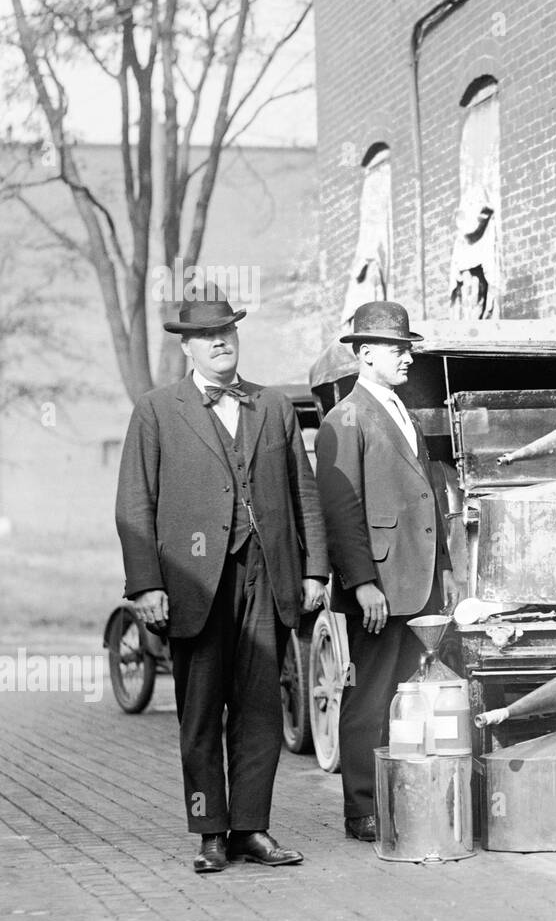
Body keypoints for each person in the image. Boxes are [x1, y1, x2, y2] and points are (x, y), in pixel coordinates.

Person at [115, 290, 328, 874]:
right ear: (187, 346)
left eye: (228, 333)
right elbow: (136, 505)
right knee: (202, 711)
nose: (220, 342)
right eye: (208, 336)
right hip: (193, 581)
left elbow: (303, 493)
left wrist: (314, 569)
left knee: (260, 710)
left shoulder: (274, 407)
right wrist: (146, 585)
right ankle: (210, 830)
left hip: (268, 574)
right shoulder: (157, 409)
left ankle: (251, 830)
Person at [314, 301, 458, 842]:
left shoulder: (402, 413)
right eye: (397, 349)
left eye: (407, 349)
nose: (407, 359)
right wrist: (363, 582)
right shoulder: (344, 420)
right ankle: (361, 810)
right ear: (365, 353)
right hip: (377, 587)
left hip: (418, 584)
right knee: (369, 698)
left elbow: (426, 500)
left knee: (409, 697)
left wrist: (443, 568)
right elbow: (340, 511)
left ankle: (400, 797)